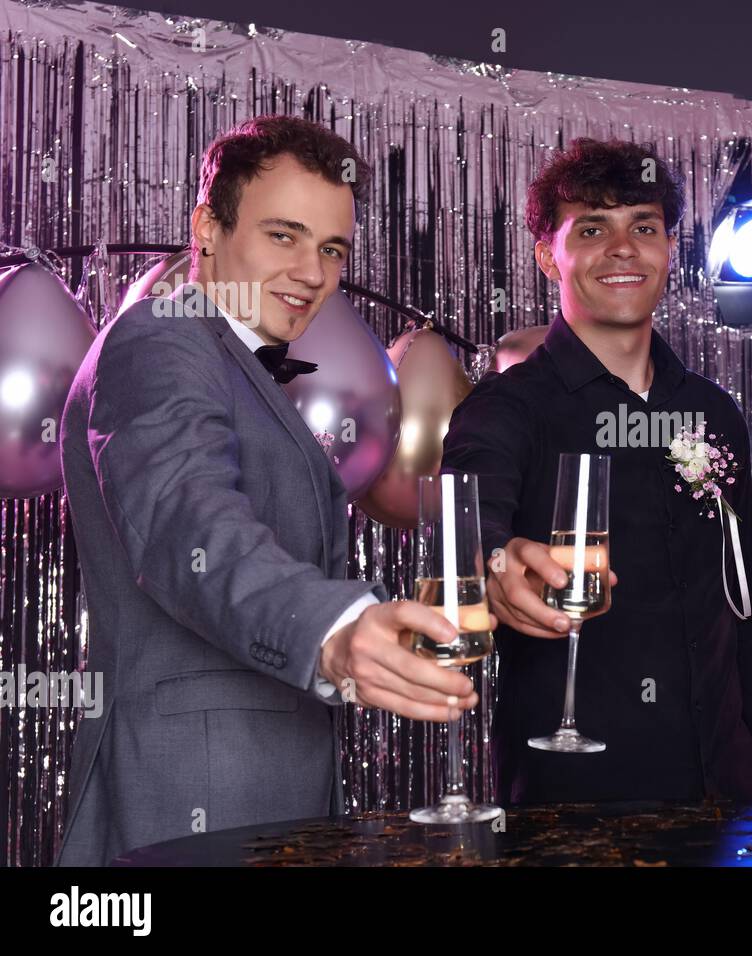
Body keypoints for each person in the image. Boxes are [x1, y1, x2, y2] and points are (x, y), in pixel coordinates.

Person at [57, 115, 476, 866]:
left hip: (266, 790)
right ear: (207, 229)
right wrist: (336, 630)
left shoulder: (242, 366)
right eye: (283, 236)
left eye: (332, 249)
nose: (312, 273)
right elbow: (188, 520)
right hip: (196, 794)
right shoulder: (160, 336)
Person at [442, 138, 752, 804]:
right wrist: (497, 566)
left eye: (644, 226)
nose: (624, 248)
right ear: (547, 254)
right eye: (592, 229)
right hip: (576, 814)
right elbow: (467, 542)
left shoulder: (712, 411)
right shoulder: (505, 410)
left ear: (669, 248)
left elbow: (750, 621)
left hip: (733, 802)